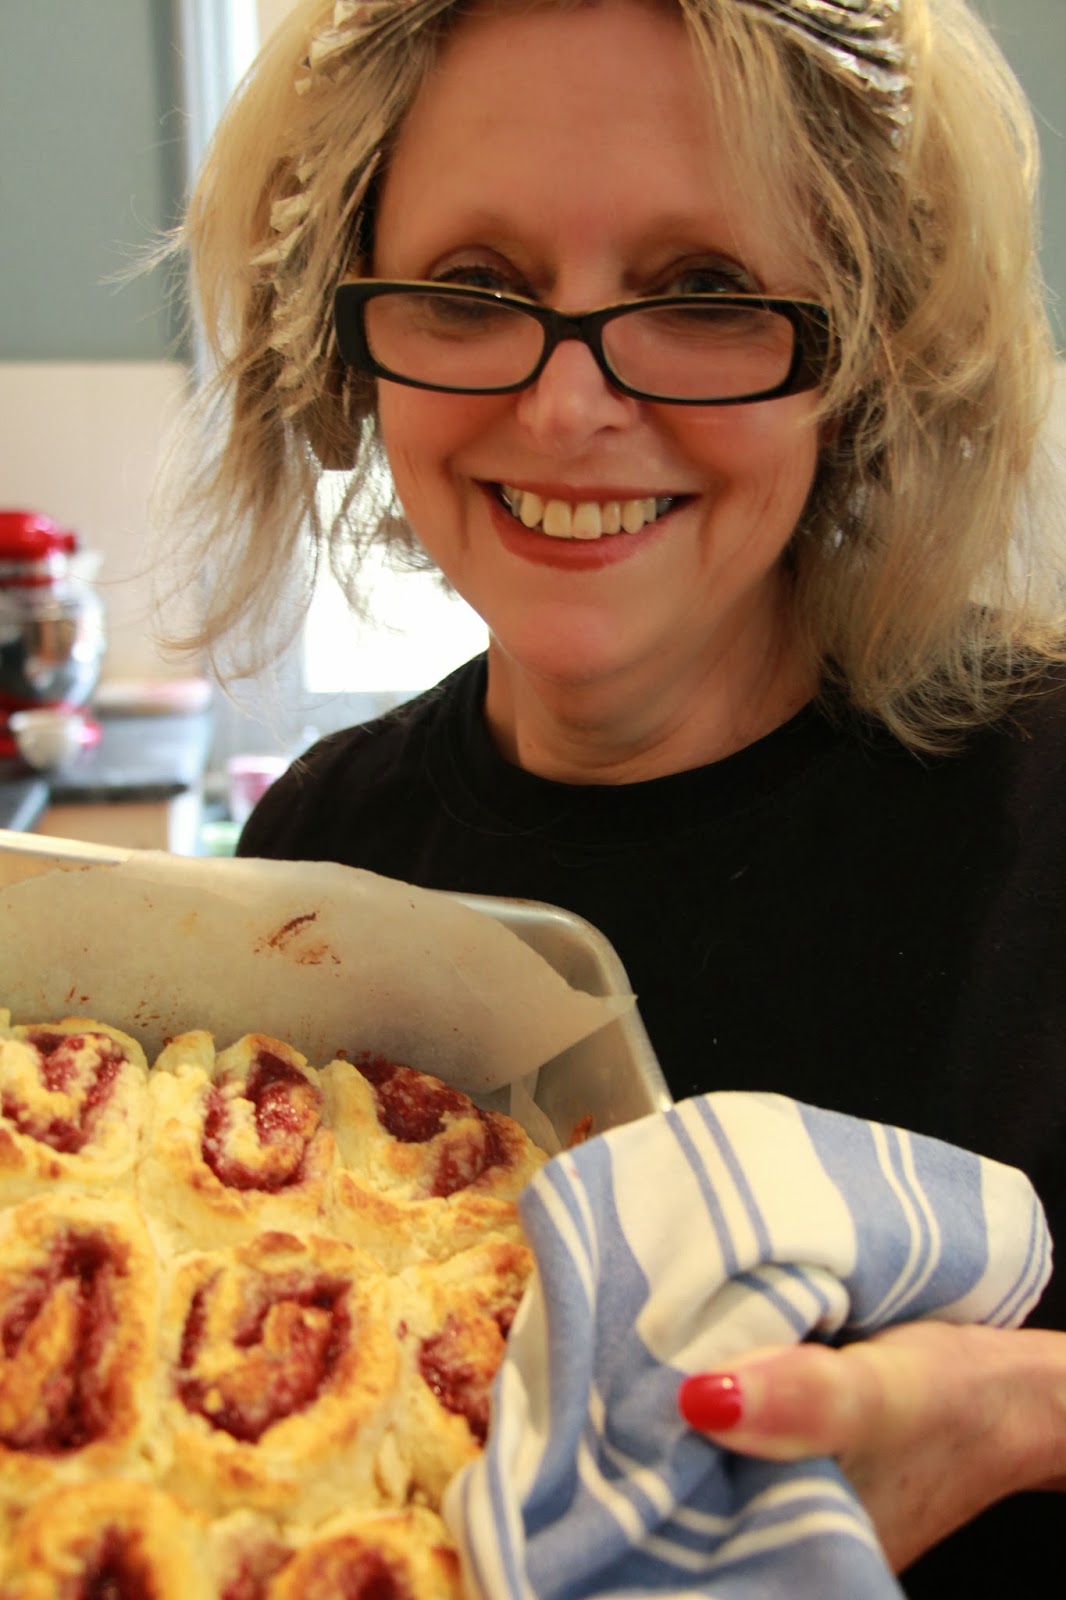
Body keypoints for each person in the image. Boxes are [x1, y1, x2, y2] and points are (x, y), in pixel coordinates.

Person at [166, 0, 1066, 1590]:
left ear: (863, 353)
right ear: (348, 338)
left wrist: (1025, 1408)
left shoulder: (1040, 817)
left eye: (704, 293)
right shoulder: (318, 858)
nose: (569, 406)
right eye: (473, 287)